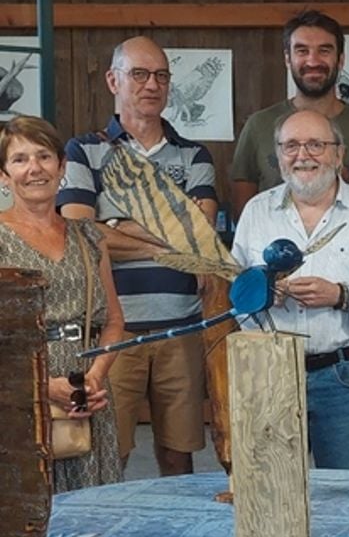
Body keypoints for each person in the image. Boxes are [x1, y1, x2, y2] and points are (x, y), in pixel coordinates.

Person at [59, 36, 217, 476]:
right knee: (111, 451)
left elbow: (199, 231)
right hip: (115, 329)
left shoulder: (194, 154)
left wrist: (118, 227)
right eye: (139, 74)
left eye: (161, 75)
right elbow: (80, 231)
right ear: (114, 80)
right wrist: (166, 234)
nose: (152, 85)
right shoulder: (82, 150)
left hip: (182, 325)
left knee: (179, 453)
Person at [232, 109, 349, 470]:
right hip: (270, 373)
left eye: (316, 144)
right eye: (291, 145)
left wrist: (340, 296)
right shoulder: (255, 212)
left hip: (344, 378)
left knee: (345, 492)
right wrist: (261, 294)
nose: (303, 155)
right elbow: (235, 298)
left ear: (339, 154)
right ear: (278, 155)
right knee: (272, 490)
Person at [0, 116, 125, 492]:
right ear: (4, 175)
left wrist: (96, 377)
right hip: (19, 393)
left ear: (62, 166)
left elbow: (114, 320)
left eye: (43, 156)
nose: (34, 168)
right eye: (19, 159)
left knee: (94, 516)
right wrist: (41, 385)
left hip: (89, 395)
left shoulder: (89, 236)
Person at [230, 9, 349, 225]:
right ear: (287, 59)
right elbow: (243, 217)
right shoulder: (258, 127)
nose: (313, 61)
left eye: (324, 51)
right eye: (302, 51)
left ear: (340, 60)